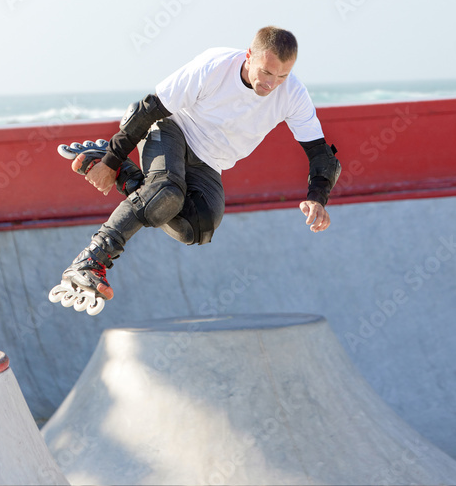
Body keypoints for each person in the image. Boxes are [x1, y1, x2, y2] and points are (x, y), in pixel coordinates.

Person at [57, 26, 341, 303]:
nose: (271, 84)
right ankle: (91, 260)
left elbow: (321, 155)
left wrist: (317, 198)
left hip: (208, 161)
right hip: (169, 128)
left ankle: (129, 178)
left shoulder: (293, 93)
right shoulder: (214, 66)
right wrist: (110, 161)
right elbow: (150, 107)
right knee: (166, 193)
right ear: (249, 56)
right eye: (266, 72)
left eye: (282, 76)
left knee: (196, 228)